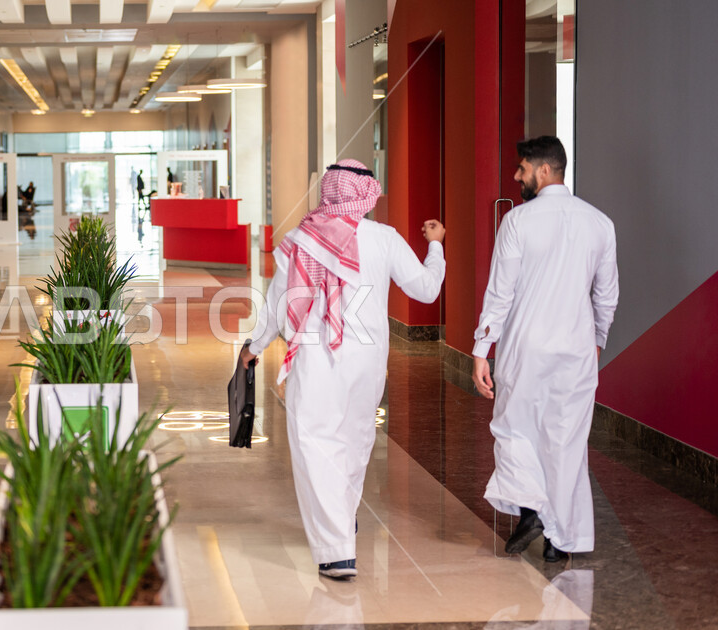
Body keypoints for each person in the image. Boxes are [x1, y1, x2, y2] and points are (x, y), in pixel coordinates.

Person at [240, 159, 446, 579]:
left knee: (316, 441)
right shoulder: (384, 238)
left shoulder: (302, 237)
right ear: (367, 194)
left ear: (328, 191)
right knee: (355, 440)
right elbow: (426, 289)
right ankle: (342, 520)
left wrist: (254, 345)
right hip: (368, 362)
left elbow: (280, 305)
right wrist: (437, 245)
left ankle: (337, 550)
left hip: (316, 361)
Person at [472, 136, 619, 563]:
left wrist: (483, 347)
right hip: (576, 350)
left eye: (522, 169)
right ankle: (560, 542)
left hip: (525, 348)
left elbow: (500, 293)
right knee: (567, 443)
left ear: (543, 171)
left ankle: (532, 510)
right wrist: (596, 342)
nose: (516, 177)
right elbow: (606, 296)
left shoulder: (518, 222)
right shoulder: (600, 223)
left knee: (514, 431)